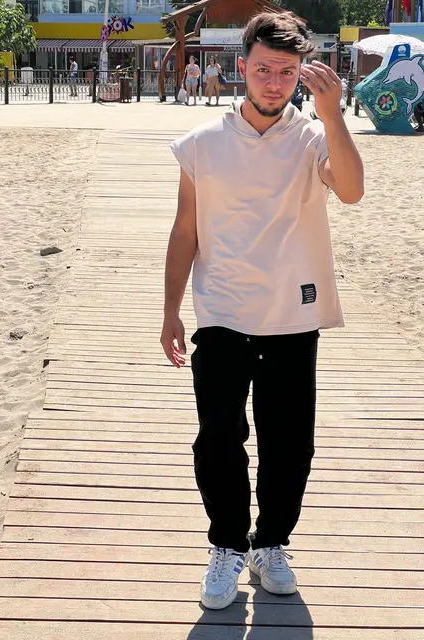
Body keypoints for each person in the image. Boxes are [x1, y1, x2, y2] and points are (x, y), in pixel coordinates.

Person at [161, 11, 364, 611]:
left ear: (302, 74)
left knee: (289, 444)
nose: (274, 82)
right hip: (221, 310)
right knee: (218, 440)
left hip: (292, 314)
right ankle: (226, 545)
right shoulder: (203, 143)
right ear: (242, 66)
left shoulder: (312, 137)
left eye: (287, 72)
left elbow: (352, 190)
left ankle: (271, 543)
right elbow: (185, 229)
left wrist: (332, 115)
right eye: (264, 69)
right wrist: (171, 309)